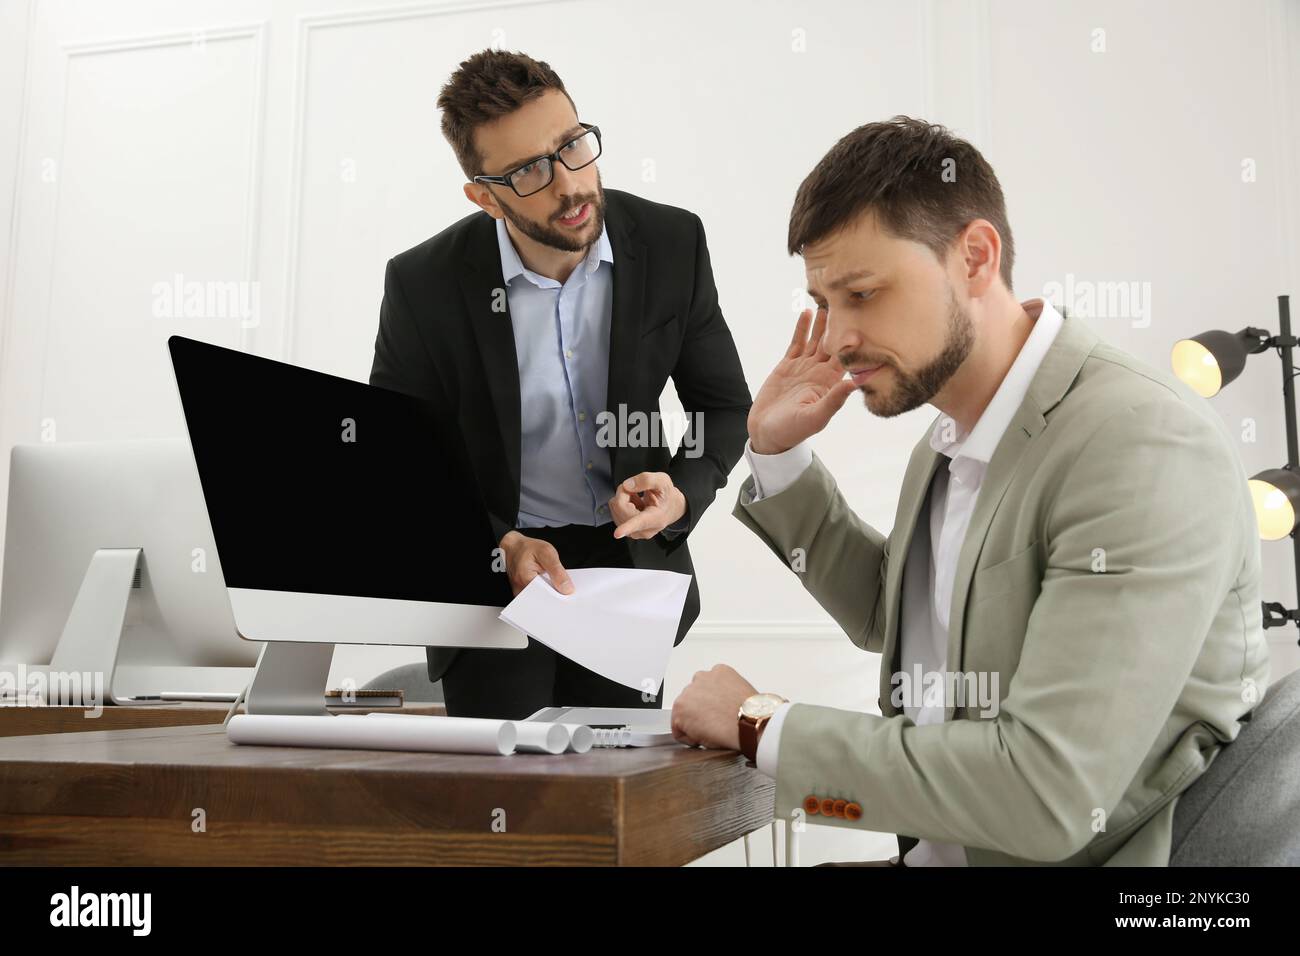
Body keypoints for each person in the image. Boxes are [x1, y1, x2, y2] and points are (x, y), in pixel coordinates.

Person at [669, 116, 1269, 866]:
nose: (835, 339)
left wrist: (764, 723)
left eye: (861, 293)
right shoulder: (949, 438)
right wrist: (778, 455)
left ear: (975, 258)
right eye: (825, 302)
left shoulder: (1139, 443)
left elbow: (1046, 794)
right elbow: (899, 616)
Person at [369, 50, 751, 719]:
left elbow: (722, 406)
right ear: (485, 196)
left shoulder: (670, 242)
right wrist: (497, 542)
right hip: (498, 573)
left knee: (612, 799)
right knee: (508, 806)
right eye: (528, 172)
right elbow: (399, 455)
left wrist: (679, 493)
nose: (569, 184)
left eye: (572, 146)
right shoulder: (422, 284)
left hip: (628, 570)